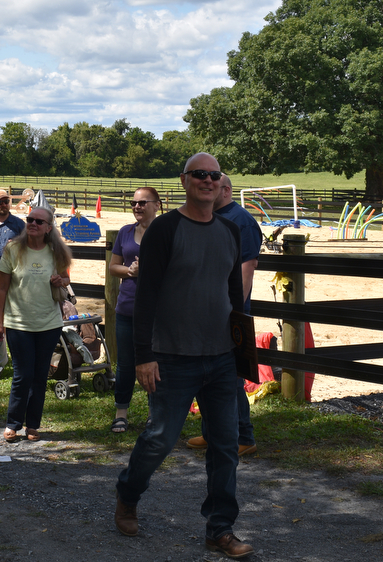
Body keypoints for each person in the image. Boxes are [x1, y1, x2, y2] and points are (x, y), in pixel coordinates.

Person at [114, 153, 254, 559]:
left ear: (220, 183)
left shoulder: (229, 231)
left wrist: (241, 348)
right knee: (160, 438)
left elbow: (233, 295)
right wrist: (144, 356)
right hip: (172, 356)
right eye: (199, 175)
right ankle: (128, 493)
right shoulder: (165, 229)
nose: (207, 181)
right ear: (185, 180)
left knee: (226, 443)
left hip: (222, 357)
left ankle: (220, 528)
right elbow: (147, 297)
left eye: (214, 175)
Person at [187, 173, 261, 456]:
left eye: (214, 184)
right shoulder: (210, 218)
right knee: (205, 374)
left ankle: (243, 436)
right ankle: (212, 431)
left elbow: (247, 268)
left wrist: (232, 313)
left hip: (228, 315)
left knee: (229, 378)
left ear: (226, 190)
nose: (207, 188)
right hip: (204, 311)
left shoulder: (241, 221)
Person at [0, 206, 72, 443]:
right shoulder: (13, 249)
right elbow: (1, 288)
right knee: (22, 375)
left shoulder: (55, 251)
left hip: (49, 324)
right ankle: (13, 424)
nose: (33, 223)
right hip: (18, 323)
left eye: (39, 221)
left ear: (49, 228)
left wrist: (62, 279)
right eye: (29, 219)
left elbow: (67, 279)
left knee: (39, 376)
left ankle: (33, 425)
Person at [108, 187, 161, 433]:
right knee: (126, 363)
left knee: (155, 362)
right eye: (134, 203)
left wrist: (149, 269)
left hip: (158, 311)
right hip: (127, 308)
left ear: (157, 205)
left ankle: (154, 413)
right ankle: (121, 412)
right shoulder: (125, 232)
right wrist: (130, 271)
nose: (137, 207)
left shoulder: (166, 232)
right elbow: (113, 266)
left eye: (143, 203)